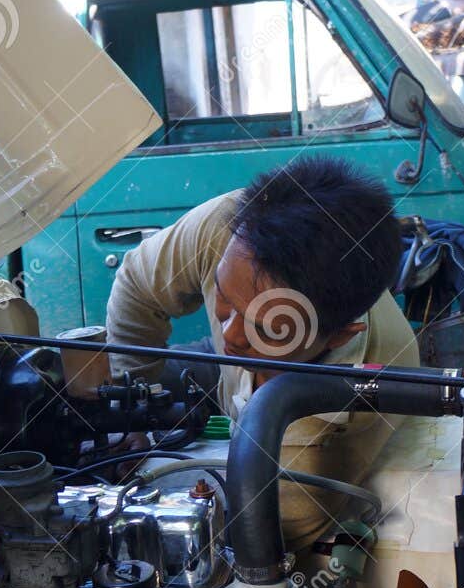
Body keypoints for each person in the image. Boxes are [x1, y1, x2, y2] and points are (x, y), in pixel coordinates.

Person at [105, 155, 417, 548]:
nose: (231, 334)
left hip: (301, 428)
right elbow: (137, 283)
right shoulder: (233, 226)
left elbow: (258, 541)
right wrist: (132, 414)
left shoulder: (327, 429)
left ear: (337, 337)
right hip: (245, 374)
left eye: (264, 327)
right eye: (223, 296)